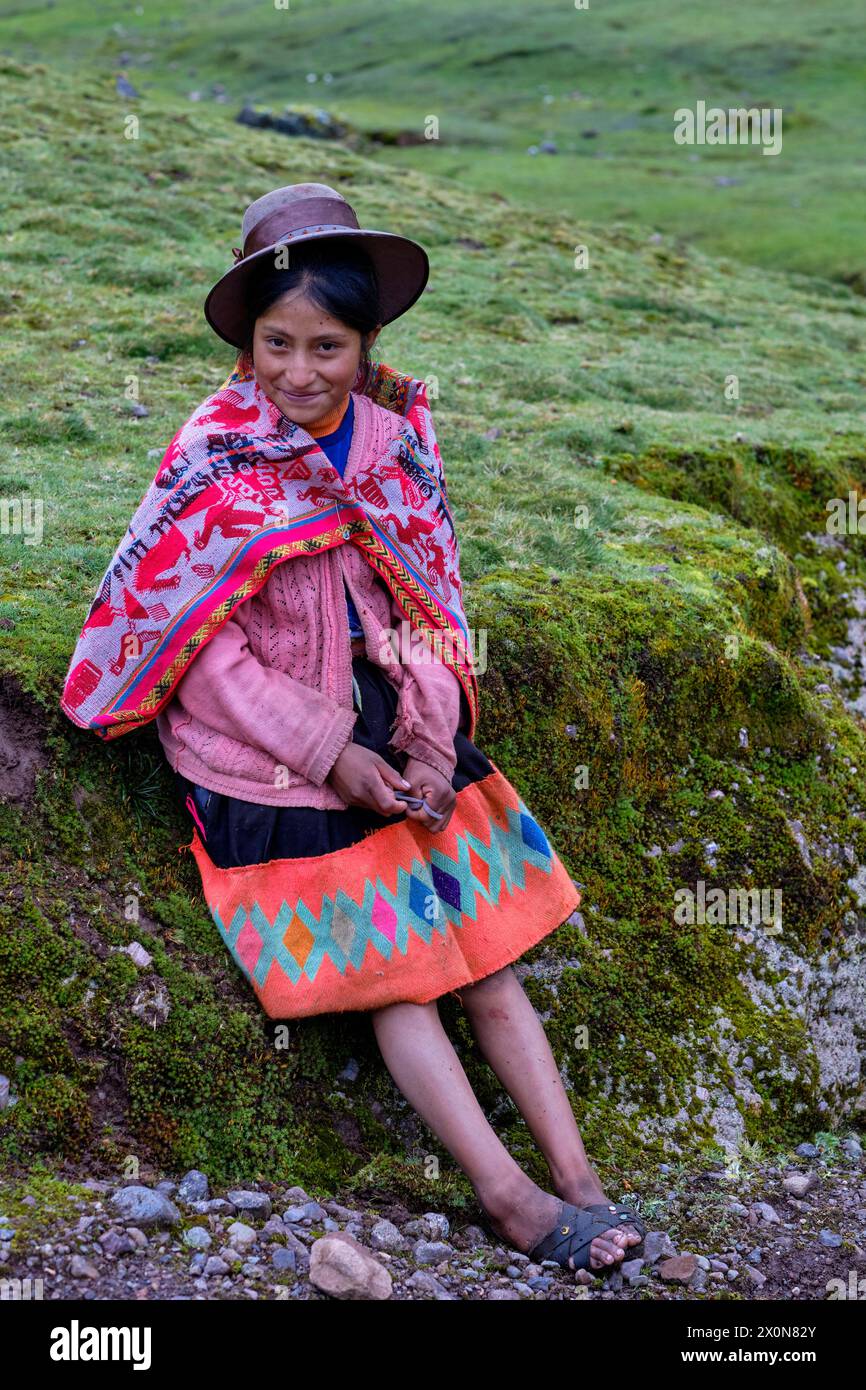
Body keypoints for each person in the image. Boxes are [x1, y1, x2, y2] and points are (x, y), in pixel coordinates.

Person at [60, 182, 645, 1275]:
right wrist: (331, 749)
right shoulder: (212, 459)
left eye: (325, 345)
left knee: (487, 964)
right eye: (274, 344)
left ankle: (582, 1181)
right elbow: (199, 654)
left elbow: (431, 608)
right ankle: (509, 1197)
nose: (297, 372)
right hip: (268, 762)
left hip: (396, 730)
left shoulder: (395, 441)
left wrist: (425, 742)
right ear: (246, 343)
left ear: (365, 341)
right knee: (402, 974)